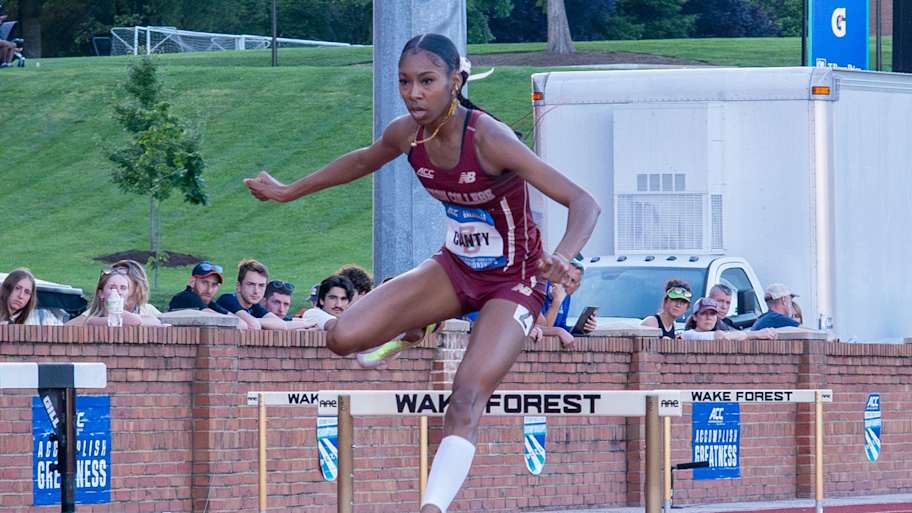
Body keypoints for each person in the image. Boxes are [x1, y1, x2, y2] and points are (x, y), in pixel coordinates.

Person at [243, 33, 599, 513]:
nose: (413, 93)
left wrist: (564, 256)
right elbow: (362, 161)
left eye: (426, 82)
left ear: (455, 82)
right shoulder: (405, 133)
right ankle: (427, 318)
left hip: (514, 281)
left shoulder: (489, 138)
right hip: (455, 268)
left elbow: (584, 202)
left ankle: (432, 507)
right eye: (404, 82)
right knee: (342, 337)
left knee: (467, 393)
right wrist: (288, 191)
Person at [216, 259, 315, 331]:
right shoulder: (227, 300)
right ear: (238, 286)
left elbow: (281, 324)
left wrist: (306, 324)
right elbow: (253, 325)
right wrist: (264, 323)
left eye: (261, 286)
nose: (256, 291)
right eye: (251, 284)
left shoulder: (254, 306)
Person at [68, 267, 161, 327]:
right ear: (101, 293)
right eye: (112, 287)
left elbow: (155, 322)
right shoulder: (92, 320)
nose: (118, 292)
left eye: (123, 288)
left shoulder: (142, 312)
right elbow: (132, 321)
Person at [681, 297, 776, 341]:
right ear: (695, 317)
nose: (708, 317)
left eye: (712, 314)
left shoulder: (721, 332)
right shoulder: (688, 335)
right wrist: (757, 334)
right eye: (704, 313)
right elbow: (722, 336)